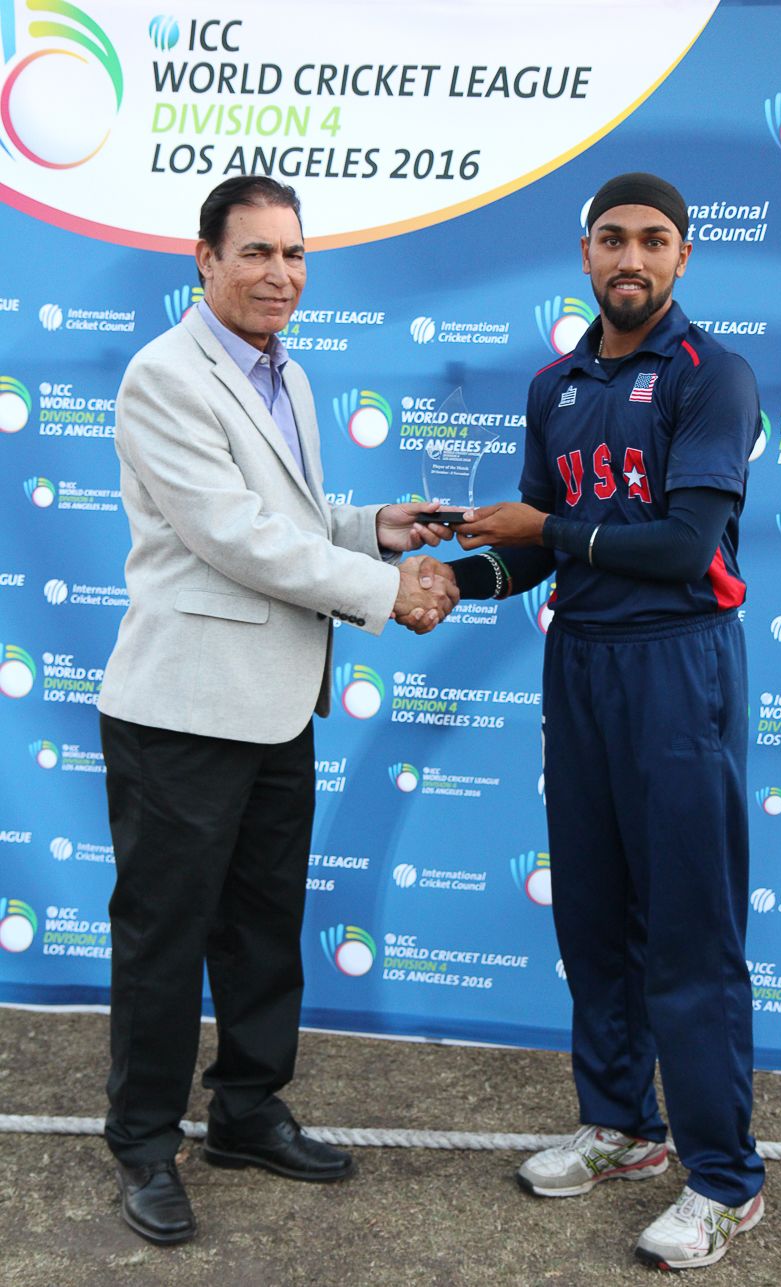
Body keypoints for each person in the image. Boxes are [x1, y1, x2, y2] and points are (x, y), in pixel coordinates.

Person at [97, 175, 457, 1246]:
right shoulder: (166, 377)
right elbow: (233, 538)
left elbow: (288, 518)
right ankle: (146, 1143)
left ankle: (246, 1111)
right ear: (203, 261)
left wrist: (370, 528)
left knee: (262, 933)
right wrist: (386, 589)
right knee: (166, 938)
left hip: (271, 709)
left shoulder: (287, 378)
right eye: (254, 253)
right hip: (181, 712)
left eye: (294, 255)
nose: (279, 275)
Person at [433, 172, 765, 1271]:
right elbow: (538, 543)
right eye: (612, 239)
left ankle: (724, 1181)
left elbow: (681, 547)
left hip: (679, 668)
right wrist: (453, 579)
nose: (632, 257)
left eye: (653, 241)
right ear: (585, 257)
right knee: (593, 912)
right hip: (580, 665)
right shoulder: (556, 385)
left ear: (681, 259)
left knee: (690, 933)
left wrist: (554, 529)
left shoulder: (713, 377)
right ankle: (623, 1128)